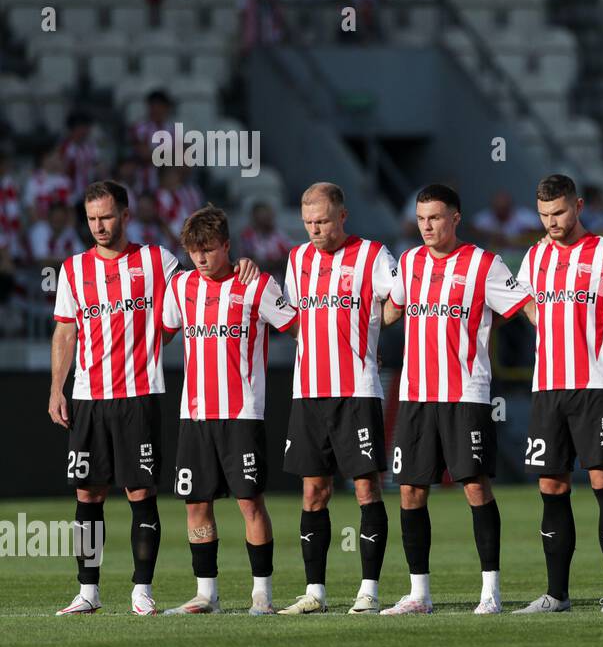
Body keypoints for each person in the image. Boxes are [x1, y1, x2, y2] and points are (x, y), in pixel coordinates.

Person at [47, 180, 257, 616]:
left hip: (140, 394)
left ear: (125, 215)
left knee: (140, 491)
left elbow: (201, 282)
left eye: (106, 216)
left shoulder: (157, 261)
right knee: (88, 494)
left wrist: (242, 267)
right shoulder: (73, 270)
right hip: (88, 397)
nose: (99, 226)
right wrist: (57, 389)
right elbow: (66, 331)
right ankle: (88, 592)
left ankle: (142, 591)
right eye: (91, 219)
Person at [380, 184, 532, 615]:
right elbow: (391, 312)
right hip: (415, 395)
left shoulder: (485, 264)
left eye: (435, 218)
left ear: (455, 218)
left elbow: (525, 307)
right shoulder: (408, 263)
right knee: (410, 490)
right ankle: (419, 594)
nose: (427, 226)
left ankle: (490, 592)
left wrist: (562, 339)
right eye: (421, 218)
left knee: (474, 487)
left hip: (465, 394)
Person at [511, 174, 603, 613]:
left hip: (595, 385)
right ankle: (557, 594)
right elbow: (526, 304)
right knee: (551, 484)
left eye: (559, 212)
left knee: (602, 480)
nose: (552, 222)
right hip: (548, 387)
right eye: (544, 215)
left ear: (579, 206)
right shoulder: (534, 257)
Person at [160, 205, 297, 615]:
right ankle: (207, 594)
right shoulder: (182, 287)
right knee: (196, 503)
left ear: (226, 245)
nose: (200, 259)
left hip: (242, 413)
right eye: (193, 251)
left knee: (249, 502)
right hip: (195, 415)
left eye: (208, 250)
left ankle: (262, 595)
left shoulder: (255, 284)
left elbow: (297, 328)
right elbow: (163, 333)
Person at [278, 183, 398, 615]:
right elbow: (293, 316)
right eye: (309, 223)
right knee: (313, 491)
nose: (315, 230)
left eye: (323, 222)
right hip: (308, 392)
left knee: (366, 487)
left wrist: (373, 326)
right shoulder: (297, 259)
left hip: (356, 389)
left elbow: (398, 298)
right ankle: (315, 591)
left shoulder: (372, 255)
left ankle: (369, 590)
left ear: (343, 216)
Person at [469, 190, 540, 250]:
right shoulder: (486, 217)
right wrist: (490, 235)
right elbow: (471, 228)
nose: (501, 211)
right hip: (493, 257)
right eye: (498, 208)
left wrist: (523, 236)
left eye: (504, 208)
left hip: (519, 254)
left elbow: (540, 228)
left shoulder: (523, 215)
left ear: (510, 206)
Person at [28, 201, 84, 269]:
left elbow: (82, 257)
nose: (58, 220)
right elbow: (42, 261)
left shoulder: (69, 231)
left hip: (63, 272)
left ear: (66, 218)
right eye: (55, 216)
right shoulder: (39, 230)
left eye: (61, 217)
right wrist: (69, 259)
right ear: (49, 217)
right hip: (34, 273)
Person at [239, 201, 293, 270]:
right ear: (255, 217)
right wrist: (274, 262)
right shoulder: (248, 235)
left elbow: (289, 257)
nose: (267, 219)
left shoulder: (278, 234)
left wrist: (273, 262)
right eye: (263, 216)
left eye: (268, 216)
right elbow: (253, 262)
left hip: (277, 277)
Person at [59, 112, 103, 194]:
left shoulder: (91, 146)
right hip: (72, 193)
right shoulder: (66, 148)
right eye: (82, 128)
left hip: (90, 192)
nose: (85, 131)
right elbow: (63, 170)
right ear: (73, 129)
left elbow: (99, 166)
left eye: (87, 128)